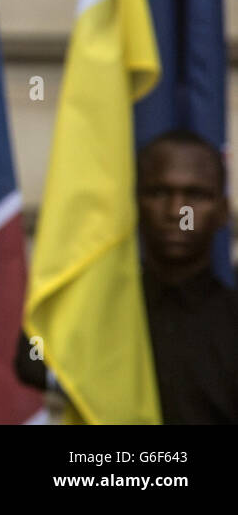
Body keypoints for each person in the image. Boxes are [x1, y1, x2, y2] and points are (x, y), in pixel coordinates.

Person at [15, 129, 238, 423]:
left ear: (222, 211)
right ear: (133, 202)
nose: (176, 211)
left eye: (195, 195)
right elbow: (31, 363)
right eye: (159, 192)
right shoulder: (95, 310)